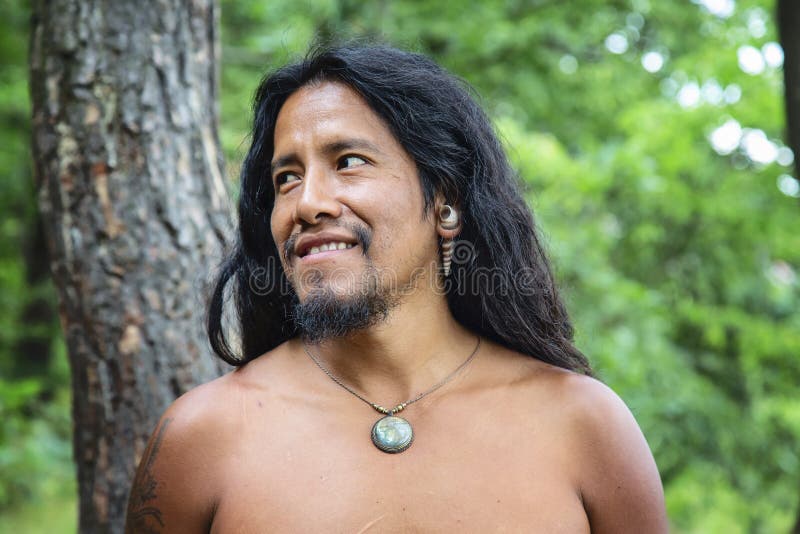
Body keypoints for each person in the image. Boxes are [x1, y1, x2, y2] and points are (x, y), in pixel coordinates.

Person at [125, 43, 668, 533]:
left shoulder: (583, 425)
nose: (306, 203)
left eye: (349, 162)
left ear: (446, 202)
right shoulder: (204, 437)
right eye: (286, 178)